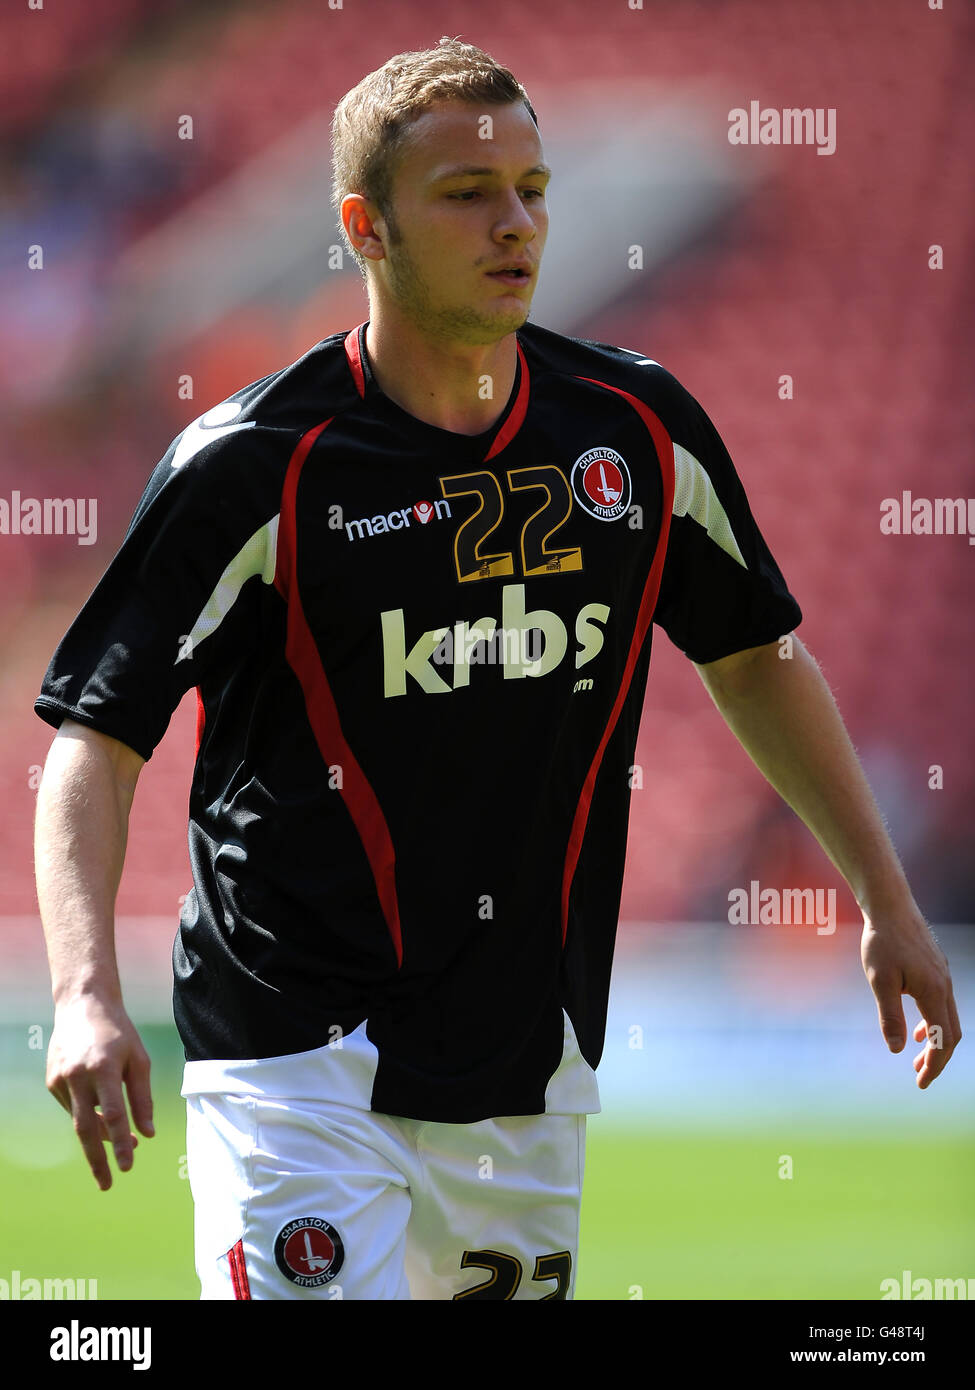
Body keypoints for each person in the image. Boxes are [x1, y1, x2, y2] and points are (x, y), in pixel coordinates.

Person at [33, 36, 960, 1302]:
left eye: (532, 188)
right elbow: (95, 737)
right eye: (468, 195)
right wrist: (84, 992)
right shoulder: (252, 466)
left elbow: (757, 656)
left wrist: (885, 898)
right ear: (366, 227)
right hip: (292, 1060)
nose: (514, 222)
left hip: (523, 1065)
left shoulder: (634, 433)